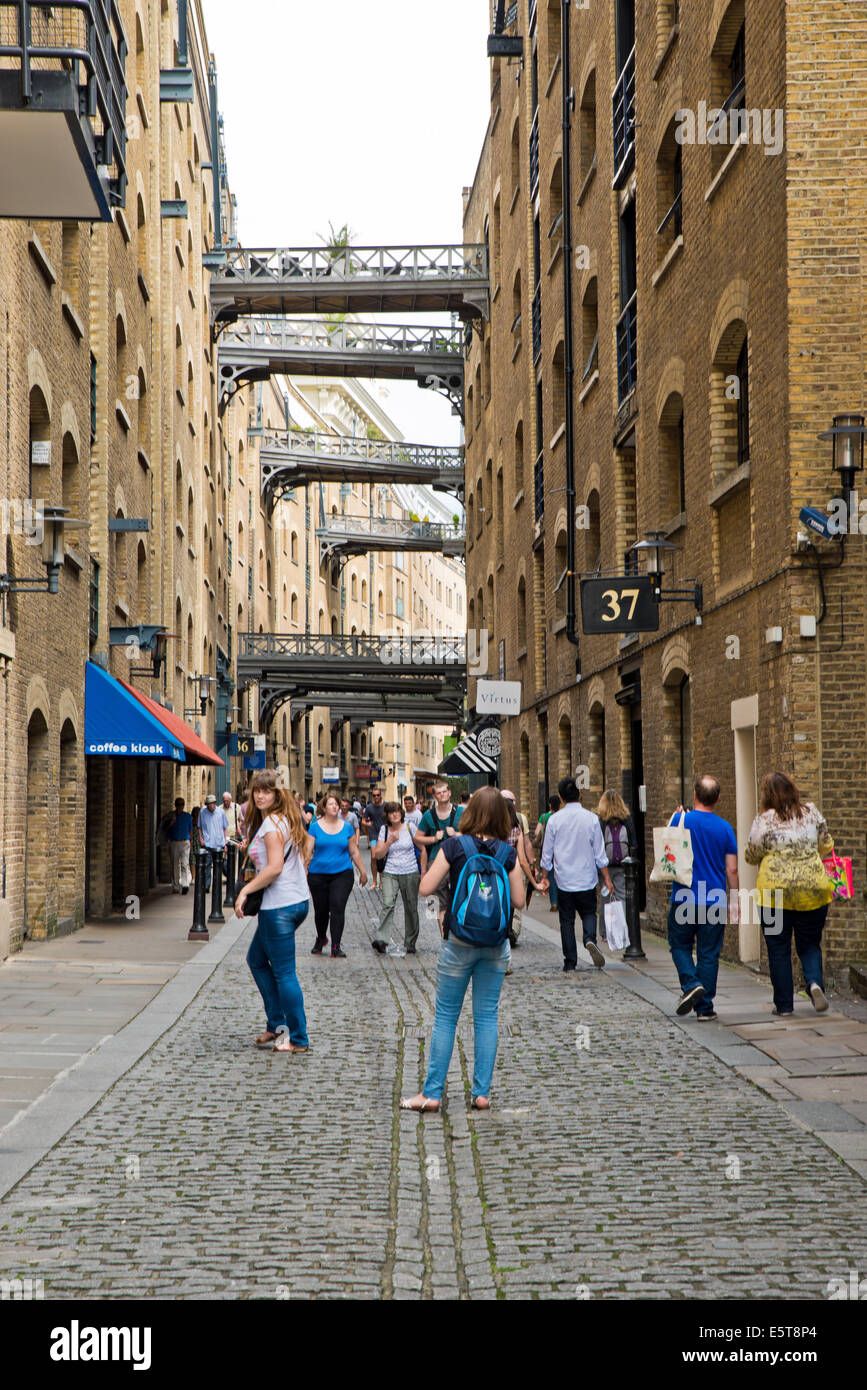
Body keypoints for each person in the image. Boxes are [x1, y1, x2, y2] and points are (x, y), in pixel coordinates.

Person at [400, 787, 525, 1113]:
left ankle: (431, 1094)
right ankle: (481, 1093)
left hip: (458, 943)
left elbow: (425, 887)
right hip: (496, 945)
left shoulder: (456, 846)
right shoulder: (506, 852)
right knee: (486, 1017)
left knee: (445, 1017)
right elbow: (520, 901)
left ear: (469, 814)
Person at [745, 772, 835, 1015]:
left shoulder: (764, 820)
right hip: (813, 891)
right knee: (810, 944)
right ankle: (814, 982)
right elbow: (826, 845)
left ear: (767, 795)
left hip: (774, 895)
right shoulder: (812, 813)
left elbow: (751, 853)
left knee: (778, 948)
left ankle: (784, 1006)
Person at [235, 770, 312, 1054]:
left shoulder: (271, 824)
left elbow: (275, 867)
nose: (260, 795)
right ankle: (275, 1024)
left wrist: (245, 890)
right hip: (296, 902)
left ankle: (299, 1038)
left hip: (278, 907)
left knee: (284, 974)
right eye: (257, 790)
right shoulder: (286, 820)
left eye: (267, 791)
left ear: (278, 794)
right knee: (256, 959)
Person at [666, 775, 739, 1020]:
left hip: (684, 897)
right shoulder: (726, 828)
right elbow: (732, 869)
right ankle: (705, 1008)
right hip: (715, 900)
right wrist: (735, 899)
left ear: (695, 795)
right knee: (709, 953)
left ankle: (691, 984)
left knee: (679, 946)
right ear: (717, 798)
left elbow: (668, 850)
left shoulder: (679, 819)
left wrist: (676, 818)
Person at [539, 777, 615, 972]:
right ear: (580, 794)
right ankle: (590, 938)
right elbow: (600, 852)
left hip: (564, 880)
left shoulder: (554, 820)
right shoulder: (591, 818)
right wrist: (607, 878)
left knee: (566, 921)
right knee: (589, 912)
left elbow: (547, 852)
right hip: (586, 878)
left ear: (561, 797)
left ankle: (570, 961)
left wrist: (544, 876)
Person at [307, 792, 368, 956]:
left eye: (337, 804)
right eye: (331, 804)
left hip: (342, 873)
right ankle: (321, 938)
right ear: (324, 807)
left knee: (337, 906)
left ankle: (336, 945)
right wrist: (302, 873)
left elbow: (354, 851)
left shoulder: (346, 827)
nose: (335, 807)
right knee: (321, 910)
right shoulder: (314, 827)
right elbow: (307, 853)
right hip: (318, 874)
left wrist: (363, 871)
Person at [371, 802, 421, 957]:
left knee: (411, 907)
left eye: (397, 811)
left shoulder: (410, 827)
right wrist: (389, 841)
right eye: (391, 812)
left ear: (401, 813)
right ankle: (381, 939)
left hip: (410, 871)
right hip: (390, 872)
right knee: (387, 904)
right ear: (387, 815)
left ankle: (410, 942)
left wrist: (424, 872)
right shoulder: (384, 830)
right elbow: (378, 855)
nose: (395, 814)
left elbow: (422, 848)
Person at [415, 778, 464, 929]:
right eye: (438, 793)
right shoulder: (428, 815)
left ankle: (458, 930)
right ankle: (444, 937)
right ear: (435, 796)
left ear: (449, 793)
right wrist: (433, 838)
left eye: (444, 792)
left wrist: (456, 834)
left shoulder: (462, 812)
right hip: (435, 860)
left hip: (458, 859)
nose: (442, 795)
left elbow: (474, 834)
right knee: (437, 902)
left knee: (459, 895)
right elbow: (417, 838)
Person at [501, 790, 542, 945]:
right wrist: (534, 880)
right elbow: (523, 859)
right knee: (514, 906)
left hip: (495, 873)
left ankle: (500, 937)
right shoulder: (516, 830)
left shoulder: (491, 829)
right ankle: (510, 935)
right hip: (513, 872)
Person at [596, 789, 638, 939]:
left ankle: (605, 933)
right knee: (621, 898)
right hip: (622, 866)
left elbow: (597, 846)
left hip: (605, 866)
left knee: (606, 899)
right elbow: (633, 843)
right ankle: (621, 931)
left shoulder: (601, 820)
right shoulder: (626, 819)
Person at [534, 795, 561, 911]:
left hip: (548, 849)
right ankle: (562, 901)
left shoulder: (544, 817)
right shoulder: (561, 816)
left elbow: (536, 832)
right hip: (561, 850)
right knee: (561, 876)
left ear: (549, 804)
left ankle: (554, 902)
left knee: (550, 876)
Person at [198, 793, 229, 892]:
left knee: (218, 866)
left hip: (219, 843)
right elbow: (199, 827)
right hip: (207, 843)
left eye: (212, 804)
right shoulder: (202, 812)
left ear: (215, 803)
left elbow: (225, 828)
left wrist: (226, 843)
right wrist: (201, 838)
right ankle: (207, 886)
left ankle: (217, 886)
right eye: (208, 804)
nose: (210, 806)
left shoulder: (221, 812)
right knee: (207, 865)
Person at [166, 797, 192, 895]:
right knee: (174, 865)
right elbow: (165, 829)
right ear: (175, 805)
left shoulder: (188, 816)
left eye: (182, 804)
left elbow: (190, 831)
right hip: (174, 842)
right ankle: (176, 886)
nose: (180, 806)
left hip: (185, 842)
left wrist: (191, 842)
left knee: (185, 864)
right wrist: (171, 823)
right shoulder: (171, 816)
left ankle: (185, 884)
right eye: (178, 804)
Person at [361, 788, 386, 890]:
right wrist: (368, 824)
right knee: (373, 857)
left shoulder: (386, 806)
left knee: (381, 858)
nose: (376, 797)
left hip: (384, 834)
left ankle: (381, 882)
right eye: (374, 795)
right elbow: (362, 820)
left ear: (381, 795)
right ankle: (374, 881)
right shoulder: (369, 807)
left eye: (377, 795)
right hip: (374, 834)